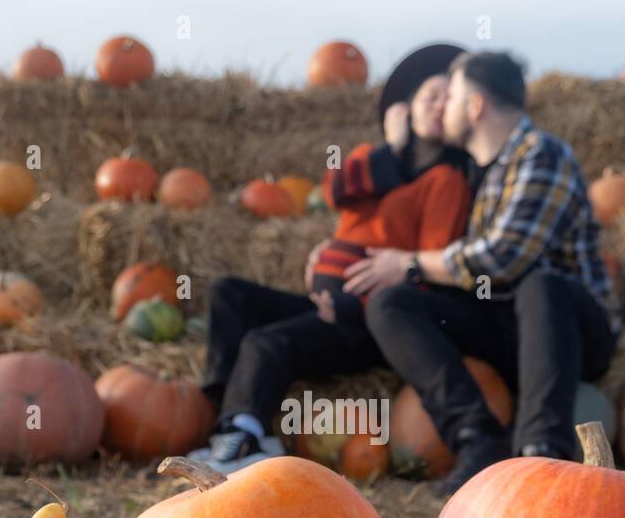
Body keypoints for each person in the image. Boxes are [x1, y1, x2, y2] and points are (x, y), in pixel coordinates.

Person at [343, 50, 620, 495]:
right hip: (507, 327)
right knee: (393, 303)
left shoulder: (541, 154)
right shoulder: (478, 173)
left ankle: (540, 453)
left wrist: (408, 261)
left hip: (570, 331)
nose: (442, 106)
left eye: (449, 95)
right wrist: (338, 249)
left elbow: (502, 257)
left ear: (475, 107)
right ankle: (477, 436)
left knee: (541, 284)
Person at [190, 44, 473, 473]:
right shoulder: (371, 161)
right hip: (329, 303)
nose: (438, 105)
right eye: (429, 95)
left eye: (447, 98)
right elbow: (335, 190)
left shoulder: (447, 180)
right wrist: (391, 150)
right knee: (229, 294)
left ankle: (248, 439)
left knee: (266, 344)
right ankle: (218, 417)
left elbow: (432, 266)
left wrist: (350, 299)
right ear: (406, 106)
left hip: (368, 319)